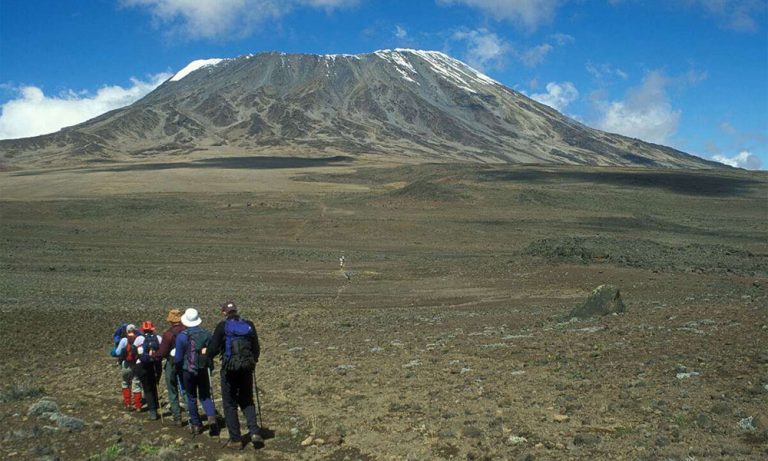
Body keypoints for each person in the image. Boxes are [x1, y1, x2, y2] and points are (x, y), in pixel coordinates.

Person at [208, 301, 263, 450]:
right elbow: (256, 347)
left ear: (224, 313)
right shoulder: (249, 325)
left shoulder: (222, 326)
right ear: (236, 311)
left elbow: (212, 349)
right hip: (246, 368)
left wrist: (207, 355)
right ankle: (254, 432)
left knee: (230, 403)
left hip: (229, 370)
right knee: (247, 400)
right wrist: (252, 361)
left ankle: (236, 439)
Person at [174, 308, 219, 436]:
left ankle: (196, 424)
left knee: (191, 397)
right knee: (205, 395)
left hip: (188, 370)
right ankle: (212, 419)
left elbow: (178, 358)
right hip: (203, 369)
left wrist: (178, 368)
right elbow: (213, 350)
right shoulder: (206, 334)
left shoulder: (182, 336)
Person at [158, 308, 186, 425]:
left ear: (170, 321)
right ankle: (193, 417)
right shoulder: (186, 331)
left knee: (172, 390)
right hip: (185, 362)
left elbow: (162, 352)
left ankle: (177, 418)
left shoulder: (168, 334)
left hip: (171, 362)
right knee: (186, 390)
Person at [135, 320, 162, 420]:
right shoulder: (158, 338)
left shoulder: (139, 338)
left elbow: (133, 350)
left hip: (142, 366)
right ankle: (157, 406)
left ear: (143, 329)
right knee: (154, 385)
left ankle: (153, 412)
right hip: (155, 365)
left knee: (147, 389)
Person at [114, 324, 143, 412]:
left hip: (126, 364)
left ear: (127, 331)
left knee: (125, 383)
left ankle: (128, 403)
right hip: (137, 364)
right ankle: (138, 406)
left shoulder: (124, 340)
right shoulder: (139, 339)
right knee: (136, 384)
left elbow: (117, 352)